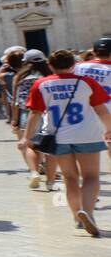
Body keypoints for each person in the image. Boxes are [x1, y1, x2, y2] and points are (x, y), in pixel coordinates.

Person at [21, 49, 111, 238]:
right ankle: (88, 212)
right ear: (73, 64)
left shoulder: (42, 84)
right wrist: (109, 129)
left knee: (70, 178)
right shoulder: (86, 82)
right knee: (91, 177)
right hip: (87, 135)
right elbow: (101, 110)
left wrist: (26, 137)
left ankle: (77, 218)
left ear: (51, 66)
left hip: (58, 137)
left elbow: (34, 113)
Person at [12, 50, 56, 190]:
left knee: (30, 145)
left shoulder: (21, 77)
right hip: (48, 114)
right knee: (49, 147)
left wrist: (14, 119)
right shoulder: (50, 76)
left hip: (28, 113)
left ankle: (34, 172)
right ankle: (50, 180)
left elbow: (17, 101)